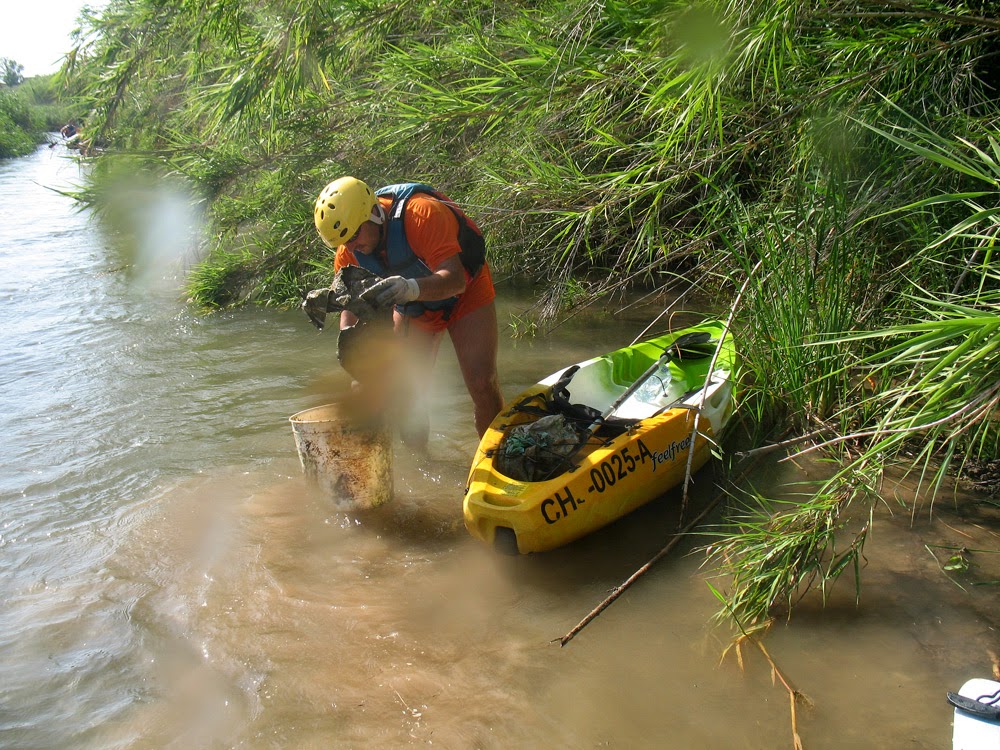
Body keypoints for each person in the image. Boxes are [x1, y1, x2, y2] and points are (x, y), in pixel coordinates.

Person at [312, 176, 504, 444]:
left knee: (482, 383)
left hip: (466, 292)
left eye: (354, 235)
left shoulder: (422, 214)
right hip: (414, 307)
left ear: (373, 213)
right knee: (409, 396)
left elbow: (455, 279)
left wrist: (410, 288)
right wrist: (354, 350)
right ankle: (421, 465)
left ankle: (496, 457)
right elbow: (351, 308)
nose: (352, 246)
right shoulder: (349, 253)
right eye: (344, 242)